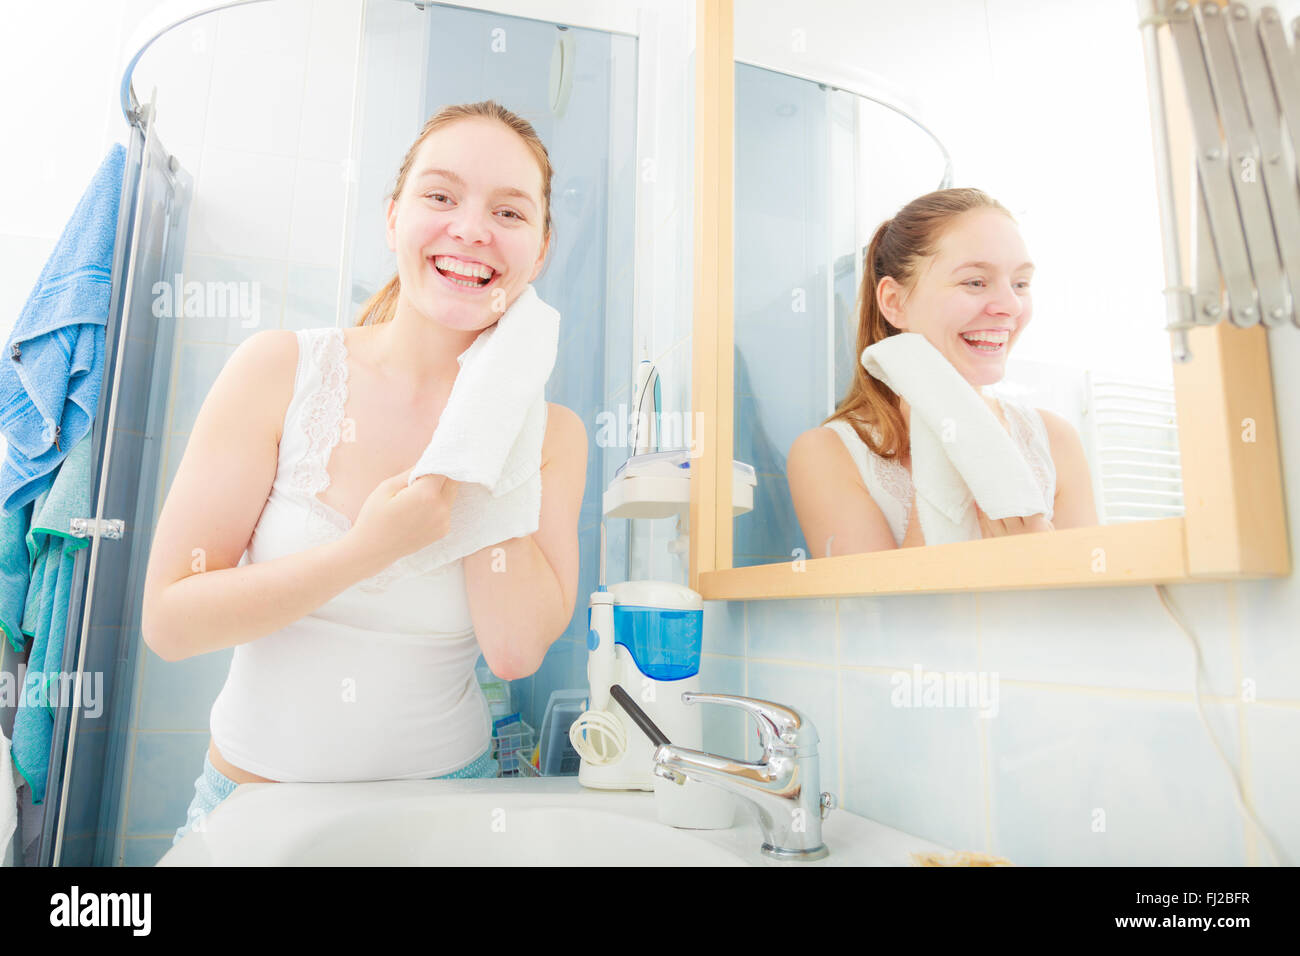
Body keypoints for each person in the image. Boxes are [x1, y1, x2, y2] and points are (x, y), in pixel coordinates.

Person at [143, 101, 588, 844]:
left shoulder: (553, 435)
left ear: (538, 253)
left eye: (509, 212)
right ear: (393, 219)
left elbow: (514, 648)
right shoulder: (279, 370)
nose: (472, 229)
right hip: (254, 813)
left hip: (451, 815)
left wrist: (487, 412)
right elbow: (170, 621)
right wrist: (363, 552)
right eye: (440, 197)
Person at [788, 187, 1095, 557]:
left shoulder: (1055, 441)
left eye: (1020, 284)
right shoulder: (826, 453)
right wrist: (940, 417)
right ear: (894, 301)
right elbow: (872, 614)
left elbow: (1085, 598)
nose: (1010, 306)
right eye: (975, 282)